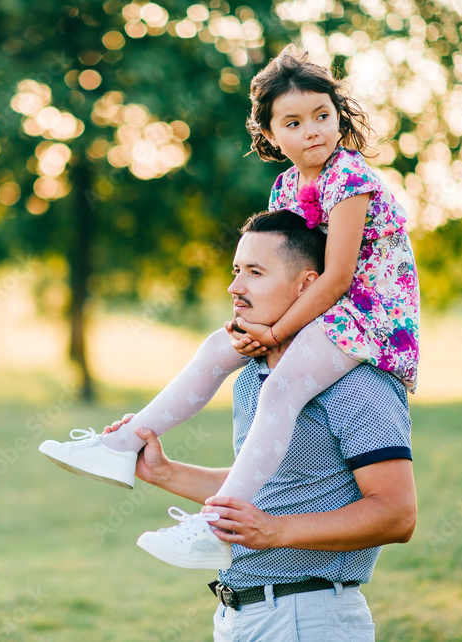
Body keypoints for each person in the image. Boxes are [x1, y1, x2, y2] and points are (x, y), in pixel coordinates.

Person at [38, 45, 419, 569]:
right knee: (219, 345)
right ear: (269, 135)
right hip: (320, 309)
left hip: (369, 317)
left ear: (338, 116)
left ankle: (218, 526)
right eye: (293, 122)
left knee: (282, 387)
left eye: (322, 116)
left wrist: (275, 331)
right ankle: (122, 445)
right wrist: (252, 324)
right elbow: (285, 266)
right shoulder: (287, 184)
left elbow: (335, 278)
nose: (313, 131)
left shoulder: (350, 178)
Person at [122, 210, 415, 639]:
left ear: (307, 286)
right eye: (237, 270)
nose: (235, 287)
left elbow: (397, 515)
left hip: (307, 616)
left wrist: (277, 531)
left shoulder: (359, 384)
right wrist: (164, 473)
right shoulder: (252, 378)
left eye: (255, 272)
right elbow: (275, 487)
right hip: (239, 616)